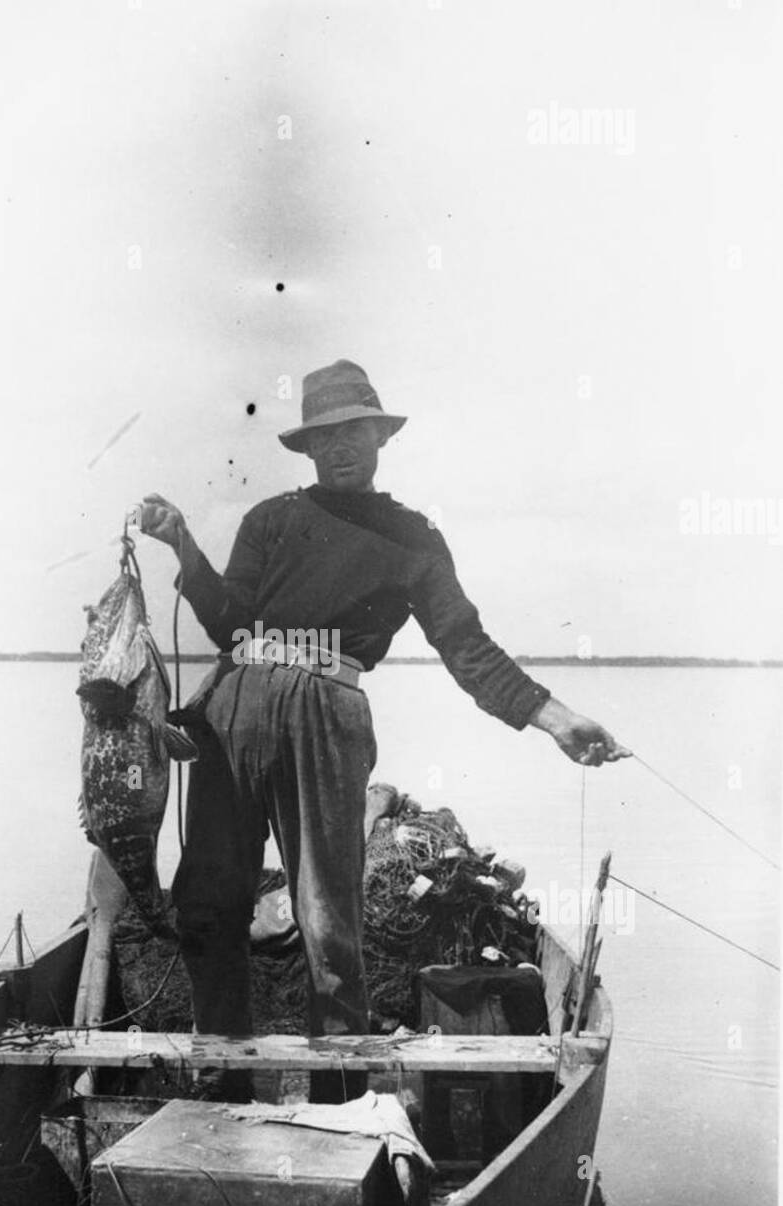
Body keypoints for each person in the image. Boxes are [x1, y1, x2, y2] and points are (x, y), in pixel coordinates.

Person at [140, 360, 628, 1097]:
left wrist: (553, 718)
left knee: (326, 918)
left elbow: (465, 647)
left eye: (354, 430)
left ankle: (338, 1095)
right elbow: (228, 623)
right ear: (306, 447)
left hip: (328, 713)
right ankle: (221, 1079)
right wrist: (182, 546)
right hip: (232, 705)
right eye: (325, 434)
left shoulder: (413, 538)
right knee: (209, 899)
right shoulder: (269, 519)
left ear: (378, 437)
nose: (340, 445)